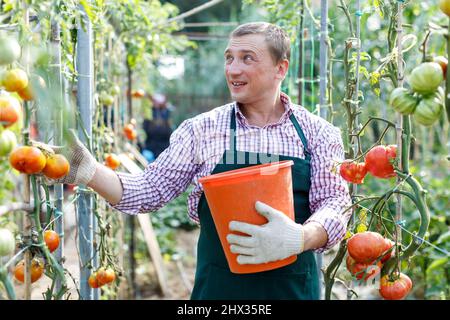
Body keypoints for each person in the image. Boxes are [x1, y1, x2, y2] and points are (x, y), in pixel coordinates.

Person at [48, 22, 351, 300]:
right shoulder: (203, 130)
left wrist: (300, 237)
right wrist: (90, 172)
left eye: (247, 58)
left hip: (293, 289)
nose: (233, 69)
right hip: (220, 292)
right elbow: (150, 189)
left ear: (280, 68)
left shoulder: (317, 134)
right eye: (229, 57)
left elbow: (336, 202)